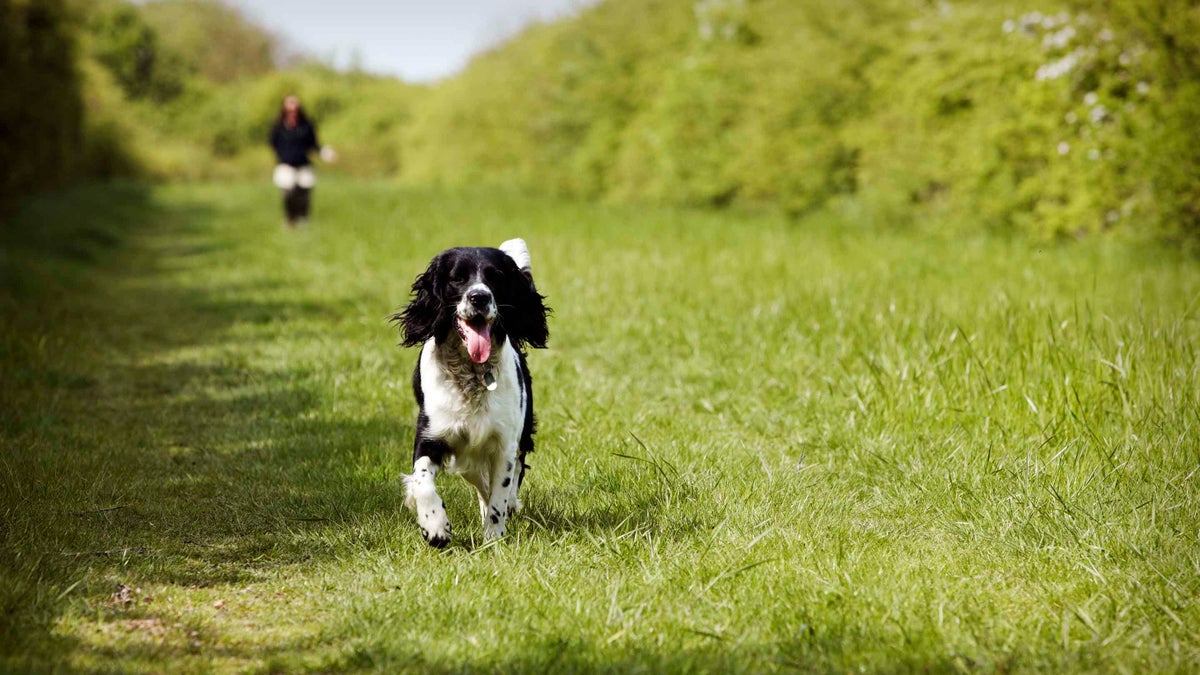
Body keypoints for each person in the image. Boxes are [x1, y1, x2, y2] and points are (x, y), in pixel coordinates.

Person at [269, 95, 334, 227]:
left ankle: (303, 220)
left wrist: (323, 152)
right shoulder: (278, 127)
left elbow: (313, 144)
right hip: (286, 164)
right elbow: (273, 143)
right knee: (288, 195)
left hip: (303, 164)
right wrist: (282, 156)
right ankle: (290, 219)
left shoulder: (306, 126)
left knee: (304, 196)